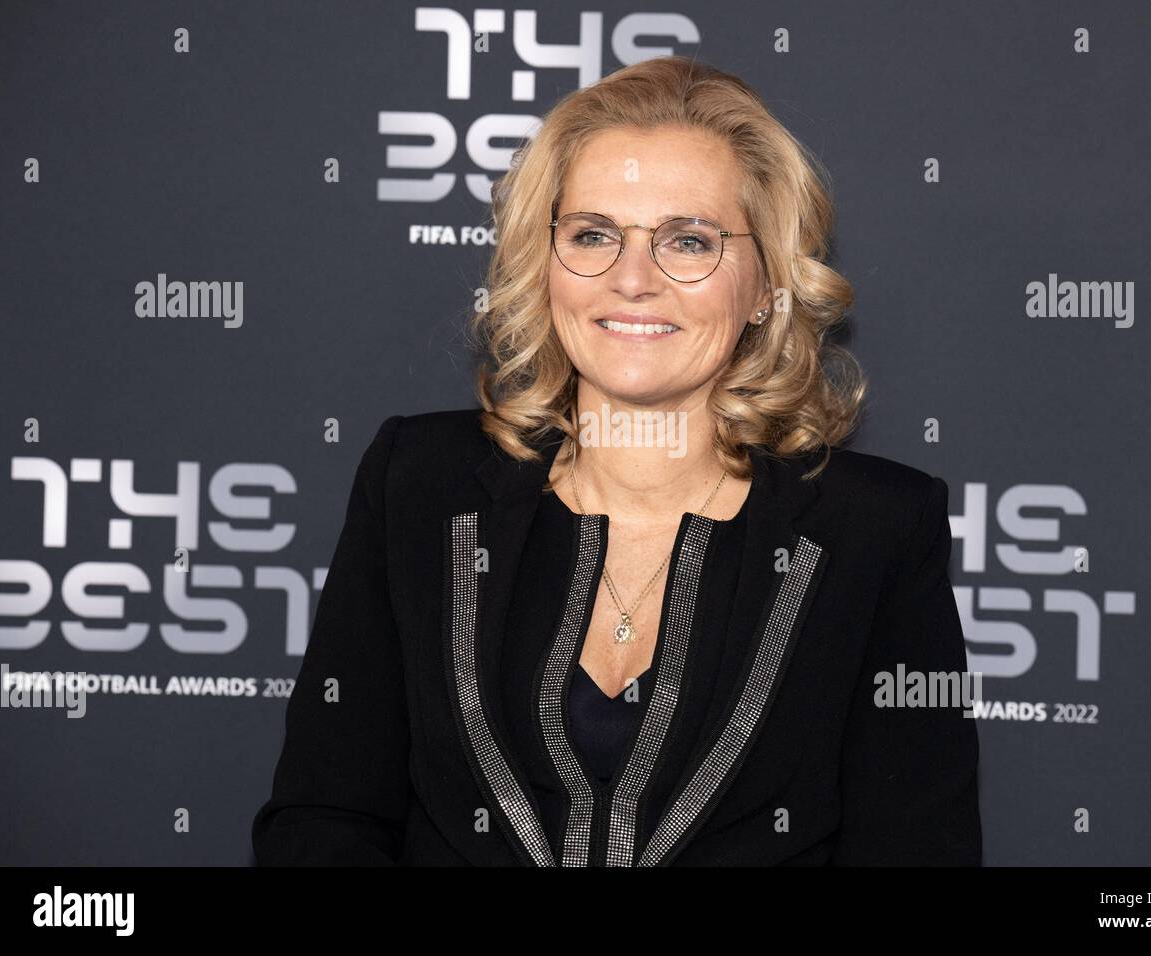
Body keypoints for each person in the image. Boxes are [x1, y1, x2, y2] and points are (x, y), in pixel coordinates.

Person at [251, 54, 981, 866]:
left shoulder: (873, 533)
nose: (632, 280)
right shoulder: (419, 483)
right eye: (594, 235)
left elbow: (915, 851)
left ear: (767, 285)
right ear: (545, 259)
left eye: (688, 241)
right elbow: (326, 817)